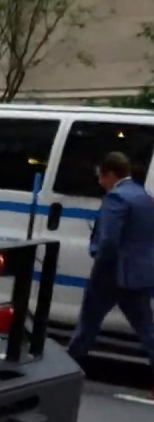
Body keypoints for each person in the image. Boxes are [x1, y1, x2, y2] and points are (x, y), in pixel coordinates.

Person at [67, 151, 154, 391]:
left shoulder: (116, 198)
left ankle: (66, 373)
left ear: (111, 174)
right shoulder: (144, 197)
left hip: (111, 273)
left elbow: (108, 241)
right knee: (147, 329)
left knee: (87, 325)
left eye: (100, 177)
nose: (99, 182)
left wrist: (99, 260)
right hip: (139, 275)